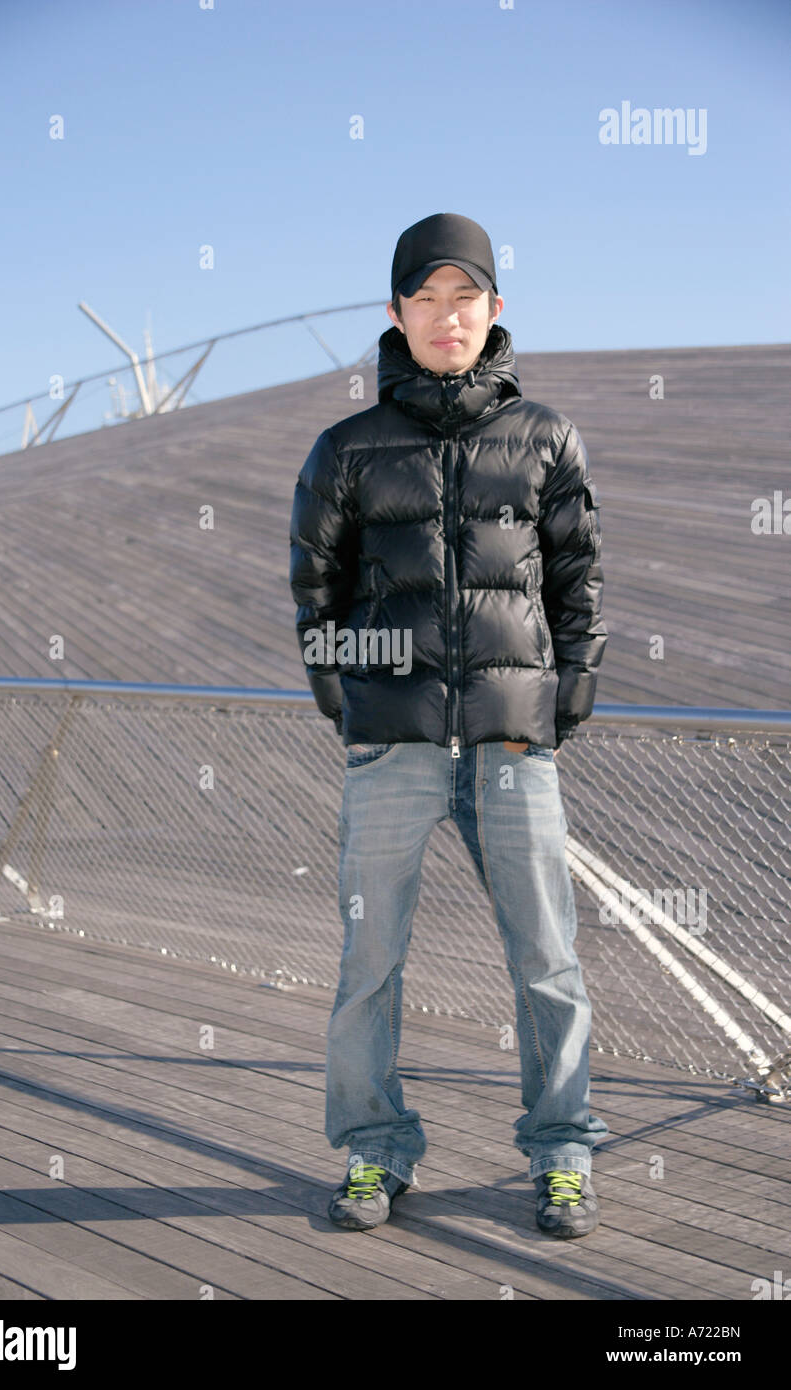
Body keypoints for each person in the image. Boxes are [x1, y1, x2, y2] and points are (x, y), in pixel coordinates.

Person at [289, 212, 609, 1239]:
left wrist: (570, 684)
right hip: (392, 748)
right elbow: (314, 591)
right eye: (423, 299)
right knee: (367, 961)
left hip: (514, 743)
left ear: (494, 310)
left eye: (461, 297)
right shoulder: (346, 448)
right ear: (393, 315)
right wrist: (350, 694)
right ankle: (374, 1154)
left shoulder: (545, 437)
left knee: (546, 958)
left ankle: (561, 1153)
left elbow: (577, 578)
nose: (444, 317)